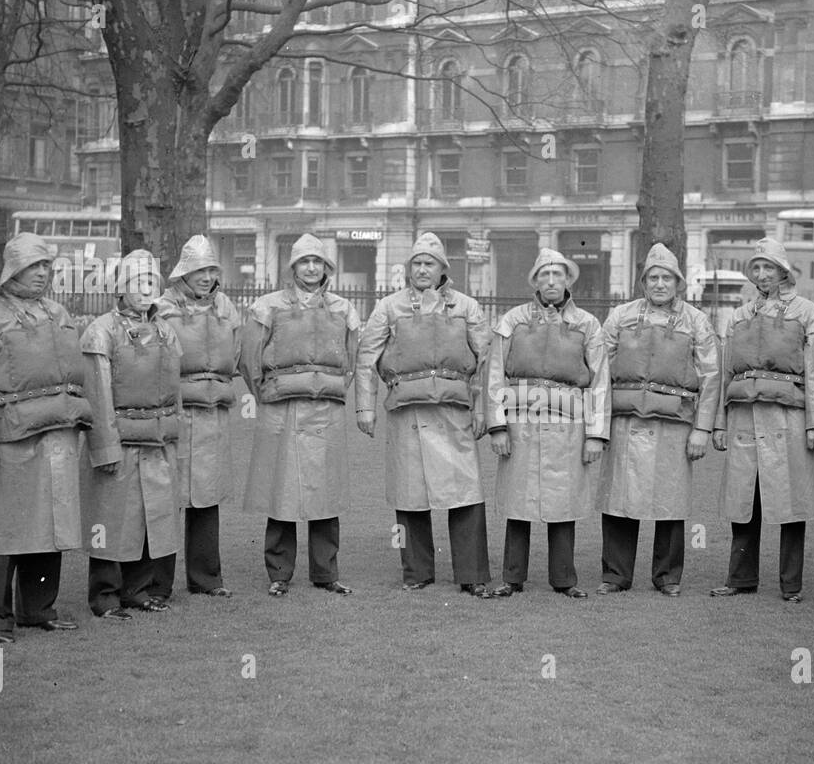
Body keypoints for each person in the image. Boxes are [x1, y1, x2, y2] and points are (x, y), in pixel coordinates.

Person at [0, 233, 92, 644]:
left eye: (46, 265)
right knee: (4, 529)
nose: (42, 273)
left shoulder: (58, 313)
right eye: (33, 266)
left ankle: (38, 609)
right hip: (11, 439)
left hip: (58, 436)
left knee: (49, 525)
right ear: (12, 270)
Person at [355, 232, 494, 597]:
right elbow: (367, 359)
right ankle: (416, 570)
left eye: (429, 263)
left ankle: (472, 572)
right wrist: (366, 407)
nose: (421, 269)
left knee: (466, 492)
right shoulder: (388, 307)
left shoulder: (466, 307)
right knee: (409, 493)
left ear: (442, 269)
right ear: (407, 269)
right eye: (416, 263)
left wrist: (483, 409)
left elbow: (485, 363)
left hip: (454, 412)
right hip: (407, 413)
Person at [710, 238, 814, 601]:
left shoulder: (811, 314)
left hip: (788, 422)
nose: (762, 275)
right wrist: (719, 422)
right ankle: (740, 579)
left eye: (769, 267)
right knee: (744, 504)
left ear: (783, 270)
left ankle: (790, 584)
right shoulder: (739, 316)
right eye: (756, 268)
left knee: (790, 504)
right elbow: (724, 373)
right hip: (745, 420)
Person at [596, 243, 719, 598]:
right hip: (626, 420)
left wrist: (702, 429)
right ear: (643, 281)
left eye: (667, 277)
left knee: (670, 500)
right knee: (619, 497)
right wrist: (598, 425)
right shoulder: (621, 316)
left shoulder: (696, 320)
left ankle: (667, 576)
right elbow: (600, 369)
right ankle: (616, 574)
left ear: (678, 282)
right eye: (653, 277)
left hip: (674, 423)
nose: (660, 284)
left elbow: (711, 377)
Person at [487, 248, 609, 598]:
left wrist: (595, 435)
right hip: (520, 424)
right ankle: (512, 578)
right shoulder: (512, 321)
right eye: (544, 275)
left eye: (558, 275)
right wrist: (497, 426)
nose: (551, 281)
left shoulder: (587, 324)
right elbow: (495, 374)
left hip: (567, 427)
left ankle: (564, 580)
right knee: (517, 503)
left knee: (563, 502)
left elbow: (600, 381)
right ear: (535, 281)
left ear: (568, 280)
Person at [240, 234, 358, 597]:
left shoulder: (343, 308)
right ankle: (279, 572)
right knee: (282, 492)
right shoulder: (267, 306)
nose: (311, 268)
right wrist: (270, 393)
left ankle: (326, 572)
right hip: (282, 411)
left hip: (325, 411)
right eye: (304, 262)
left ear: (326, 268)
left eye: (317, 262)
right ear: (293, 268)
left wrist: (328, 387)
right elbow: (249, 359)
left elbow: (352, 360)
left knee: (326, 493)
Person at [80, 251, 182, 618]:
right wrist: (105, 448)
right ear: (121, 288)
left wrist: (174, 434)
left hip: (157, 440)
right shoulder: (101, 331)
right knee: (111, 520)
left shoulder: (166, 330)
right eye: (138, 282)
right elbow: (97, 395)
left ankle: (136, 591)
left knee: (148, 519)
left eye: (151, 281)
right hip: (120, 441)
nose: (145, 289)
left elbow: (175, 392)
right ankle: (105, 596)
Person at [156, 235, 241, 598]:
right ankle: (156, 585)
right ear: (183, 273)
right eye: (198, 270)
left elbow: (236, 355)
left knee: (206, 499)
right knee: (164, 499)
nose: (206, 277)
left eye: (211, 269)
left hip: (211, 416)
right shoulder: (161, 309)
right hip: (173, 414)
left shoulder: (227, 309)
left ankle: (206, 578)